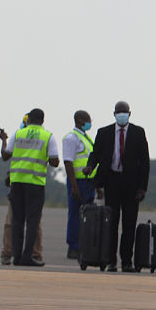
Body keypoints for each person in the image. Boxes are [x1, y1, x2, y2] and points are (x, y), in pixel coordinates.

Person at [86, 100, 150, 272]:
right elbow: (95, 155)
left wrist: (142, 187)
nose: (121, 115)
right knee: (111, 224)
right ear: (114, 114)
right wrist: (90, 167)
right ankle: (110, 260)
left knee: (129, 224)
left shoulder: (138, 132)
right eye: (118, 112)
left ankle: (127, 261)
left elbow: (144, 162)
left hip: (131, 184)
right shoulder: (104, 132)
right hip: (111, 181)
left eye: (124, 112)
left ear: (130, 114)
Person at [0, 107, 59, 267]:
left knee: (17, 220)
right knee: (33, 222)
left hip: (17, 182)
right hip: (35, 183)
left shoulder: (18, 134)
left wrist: (4, 140)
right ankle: (28, 256)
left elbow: (5, 155)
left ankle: (16, 257)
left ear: (28, 120)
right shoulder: (48, 137)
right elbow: (55, 161)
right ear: (42, 120)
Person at [61, 110, 97, 260]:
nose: (90, 122)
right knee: (75, 214)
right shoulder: (71, 138)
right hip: (78, 182)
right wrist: (74, 186)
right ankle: (73, 246)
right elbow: (68, 162)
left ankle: (84, 245)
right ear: (81, 120)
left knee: (87, 216)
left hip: (89, 182)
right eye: (89, 119)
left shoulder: (85, 138)